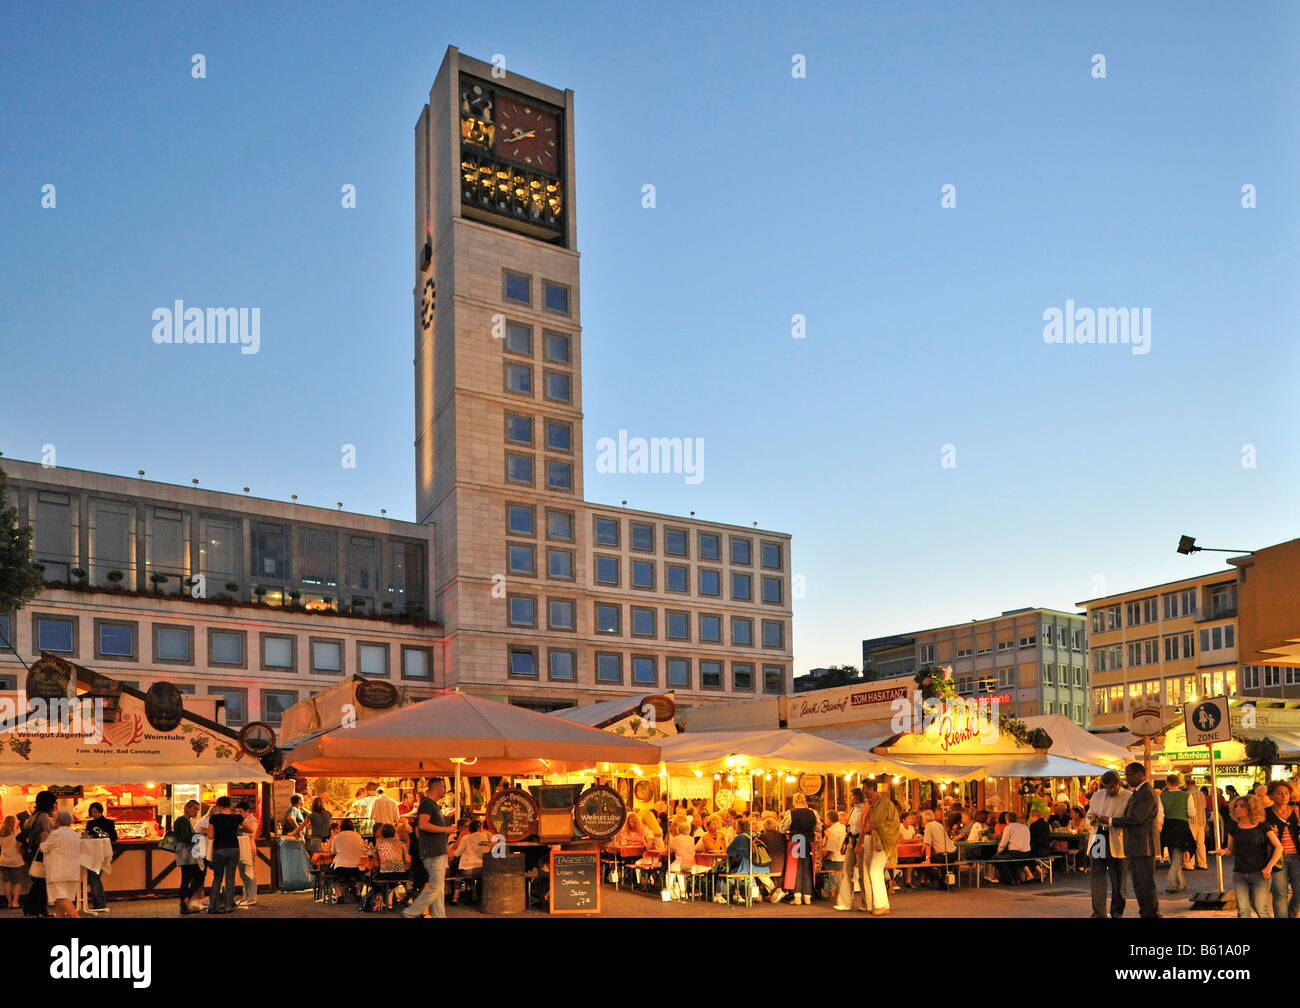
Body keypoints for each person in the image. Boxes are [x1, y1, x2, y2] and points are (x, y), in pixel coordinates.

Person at [1103, 762, 1160, 918]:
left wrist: (1111, 821)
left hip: (1144, 845)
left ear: (1138, 775)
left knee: (1145, 884)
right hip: (1136, 846)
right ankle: (1146, 912)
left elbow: (1137, 818)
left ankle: (1150, 914)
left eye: (1128, 774)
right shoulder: (1138, 792)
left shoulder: (1146, 793)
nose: (1126, 778)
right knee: (1139, 884)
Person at [1217, 794, 1282, 918]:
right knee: (1243, 910)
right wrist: (1224, 851)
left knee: (1260, 907)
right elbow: (1231, 849)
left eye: (1242, 806)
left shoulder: (1262, 826)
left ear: (1251, 808)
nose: (1237, 809)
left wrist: (1269, 867)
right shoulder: (1234, 827)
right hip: (1240, 873)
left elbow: (1278, 847)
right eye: (1236, 806)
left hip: (1260, 873)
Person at [403, 779, 457, 918]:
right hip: (433, 853)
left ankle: (439, 916)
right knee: (435, 887)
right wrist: (446, 829)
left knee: (438, 889)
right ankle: (411, 912)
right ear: (437, 787)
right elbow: (423, 825)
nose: (445, 790)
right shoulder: (427, 804)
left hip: (436, 851)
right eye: (444, 787)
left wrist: (446, 847)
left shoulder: (432, 805)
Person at [1086, 770, 1129, 918]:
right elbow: (1089, 813)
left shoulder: (1128, 796)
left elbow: (1128, 820)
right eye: (1106, 787)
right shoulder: (1097, 795)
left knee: (1118, 878)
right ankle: (1099, 913)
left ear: (1118, 783)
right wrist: (1092, 818)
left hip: (1117, 838)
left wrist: (1109, 820)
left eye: (1111, 787)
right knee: (1097, 875)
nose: (1109, 790)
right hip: (1099, 836)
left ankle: (1117, 912)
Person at [857, 781, 899, 915]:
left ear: (871, 788)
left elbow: (892, 823)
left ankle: (880, 904)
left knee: (874, 871)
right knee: (872, 871)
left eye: (864, 788)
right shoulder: (868, 805)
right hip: (870, 839)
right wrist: (860, 843)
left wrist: (878, 827)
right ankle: (882, 904)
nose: (862, 790)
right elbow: (864, 827)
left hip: (882, 840)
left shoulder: (885, 804)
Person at [1264, 780, 1300, 919]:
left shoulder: (1296, 811)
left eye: (1286, 793)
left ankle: (1291, 915)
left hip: (1296, 856)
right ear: (1271, 796)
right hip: (1276, 858)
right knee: (1280, 893)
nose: (1283, 796)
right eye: (1279, 793)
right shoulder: (1266, 814)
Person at [202, 796, 243, 913]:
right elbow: (250, 828)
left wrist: (219, 834)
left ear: (219, 806)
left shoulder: (214, 818)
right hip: (234, 848)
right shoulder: (237, 817)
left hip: (219, 849)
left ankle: (213, 906)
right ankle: (229, 905)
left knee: (217, 878)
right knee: (230, 878)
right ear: (229, 805)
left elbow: (210, 835)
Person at [39, 811, 81, 919]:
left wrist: (43, 839)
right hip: (73, 871)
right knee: (61, 900)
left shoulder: (56, 834)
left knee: (61, 898)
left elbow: (44, 848)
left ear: (58, 821)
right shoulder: (74, 834)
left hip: (58, 872)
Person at [1159, 774, 1195, 894]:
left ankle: (1182, 883)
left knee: (1174, 856)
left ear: (1168, 783)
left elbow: (1160, 814)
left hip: (1167, 827)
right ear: (1179, 783)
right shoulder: (1186, 795)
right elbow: (1191, 813)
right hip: (1181, 827)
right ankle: (1171, 884)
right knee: (1177, 857)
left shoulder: (1162, 796)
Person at [22, 790, 56, 917]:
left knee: (38, 882)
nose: (54, 805)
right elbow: (48, 834)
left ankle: (34, 909)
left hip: (33, 850)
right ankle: (36, 908)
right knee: (42, 882)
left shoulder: (35, 815)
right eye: (53, 802)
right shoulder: (43, 816)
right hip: (41, 851)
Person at [781, 793, 819, 905]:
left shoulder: (790, 813)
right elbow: (819, 827)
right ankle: (807, 896)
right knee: (807, 867)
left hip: (796, 840)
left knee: (795, 868)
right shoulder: (813, 813)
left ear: (794, 801)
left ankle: (797, 896)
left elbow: (783, 829)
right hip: (808, 841)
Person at [834, 788, 866, 911]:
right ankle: (844, 901)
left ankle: (865, 902)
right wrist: (845, 842)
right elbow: (849, 827)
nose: (850, 798)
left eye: (852, 796)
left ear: (858, 797)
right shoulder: (852, 809)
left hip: (860, 842)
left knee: (863, 873)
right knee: (846, 870)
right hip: (851, 841)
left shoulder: (864, 809)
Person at [82, 801, 118, 912]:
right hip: (92, 853)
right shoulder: (90, 823)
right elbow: (87, 837)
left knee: (94, 878)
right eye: (92, 812)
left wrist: (108, 836)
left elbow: (114, 837)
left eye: (95, 812)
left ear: (101, 811)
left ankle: (99, 902)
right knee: (94, 878)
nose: (94, 814)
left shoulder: (108, 822)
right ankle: (99, 902)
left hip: (100, 853)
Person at [172, 799, 204, 915]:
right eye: (195, 809)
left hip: (183, 853)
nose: (196, 812)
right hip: (187, 853)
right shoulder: (183, 821)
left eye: (198, 810)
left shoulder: (183, 821)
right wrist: (199, 835)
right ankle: (185, 901)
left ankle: (184, 904)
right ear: (187, 808)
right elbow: (187, 838)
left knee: (186, 879)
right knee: (198, 877)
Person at [330, 818, 365, 902]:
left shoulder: (337, 836)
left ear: (341, 827)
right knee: (360, 876)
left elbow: (332, 852)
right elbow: (362, 849)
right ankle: (358, 893)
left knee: (331, 876)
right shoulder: (358, 835)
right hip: (357, 867)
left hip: (340, 867)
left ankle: (339, 895)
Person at [995, 811, 1033, 884]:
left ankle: (1011, 878)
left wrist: (997, 852)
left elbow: (1003, 843)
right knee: (1012, 860)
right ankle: (1016, 878)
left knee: (997, 859)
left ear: (1007, 820)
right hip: (1027, 853)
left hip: (1014, 853)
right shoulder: (1025, 827)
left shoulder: (1009, 828)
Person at [235, 800, 260, 907]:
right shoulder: (242, 820)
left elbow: (252, 832)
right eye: (237, 812)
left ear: (247, 811)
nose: (238, 814)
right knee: (243, 874)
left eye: (240, 812)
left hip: (249, 849)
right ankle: (246, 896)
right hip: (241, 849)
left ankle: (252, 897)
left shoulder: (252, 820)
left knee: (249, 873)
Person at [925, 810, 958, 887]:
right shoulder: (939, 824)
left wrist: (927, 859)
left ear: (925, 819)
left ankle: (938, 881)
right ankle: (945, 881)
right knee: (944, 865)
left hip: (944, 855)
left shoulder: (928, 826)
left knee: (922, 863)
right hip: (953, 853)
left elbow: (927, 844)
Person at [760, 814, 788, 903]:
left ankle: (774, 891)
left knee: (756, 871)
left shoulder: (762, 837)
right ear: (775, 826)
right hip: (783, 865)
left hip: (769, 866)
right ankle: (775, 892)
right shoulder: (782, 836)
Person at [0, 815, 25, 911]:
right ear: (13, 823)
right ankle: (15, 902)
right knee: (17, 883)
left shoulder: (1, 834)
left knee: (7, 882)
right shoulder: (17, 833)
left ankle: (9, 903)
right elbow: (19, 846)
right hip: (16, 861)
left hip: (3, 861)